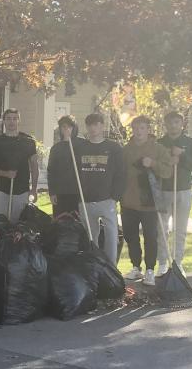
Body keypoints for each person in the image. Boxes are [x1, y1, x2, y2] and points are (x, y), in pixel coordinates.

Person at [121, 116, 173, 285]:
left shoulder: (158, 149)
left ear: (148, 129)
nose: (139, 131)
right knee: (131, 236)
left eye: (142, 128)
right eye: (136, 128)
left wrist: (153, 163)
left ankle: (150, 269)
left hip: (149, 201)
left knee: (150, 236)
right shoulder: (125, 150)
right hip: (128, 200)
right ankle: (136, 267)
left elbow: (167, 171)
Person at [77, 112, 126, 265]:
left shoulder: (113, 147)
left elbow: (121, 173)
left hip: (107, 199)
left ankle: (111, 266)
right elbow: (75, 171)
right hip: (85, 200)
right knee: (91, 236)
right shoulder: (80, 147)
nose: (93, 128)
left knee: (111, 235)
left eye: (96, 124)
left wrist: (115, 197)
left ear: (102, 126)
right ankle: (94, 264)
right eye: (90, 125)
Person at [156, 111, 192, 274]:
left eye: (176, 122)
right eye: (170, 122)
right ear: (165, 124)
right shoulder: (160, 143)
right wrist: (169, 159)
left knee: (180, 229)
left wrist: (182, 155)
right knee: (162, 229)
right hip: (164, 191)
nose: (173, 125)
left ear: (181, 124)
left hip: (184, 191)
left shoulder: (189, 143)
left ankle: (177, 262)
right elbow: (155, 166)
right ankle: (162, 262)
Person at [0, 108, 38, 223]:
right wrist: (6, 174)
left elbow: (34, 166)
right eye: (8, 119)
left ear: (19, 121)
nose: (11, 122)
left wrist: (34, 189)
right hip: (1, 189)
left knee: (18, 224)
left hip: (21, 190)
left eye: (14, 119)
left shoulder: (28, 141)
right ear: (4, 121)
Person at [46, 115, 84, 217]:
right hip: (60, 192)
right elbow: (51, 171)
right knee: (60, 221)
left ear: (74, 128)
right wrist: (52, 192)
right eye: (64, 127)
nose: (66, 129)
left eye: (69, 127)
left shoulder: (83, 145)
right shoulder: (56, 148)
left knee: (78, 222)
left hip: (78, 192)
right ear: (60, 129)